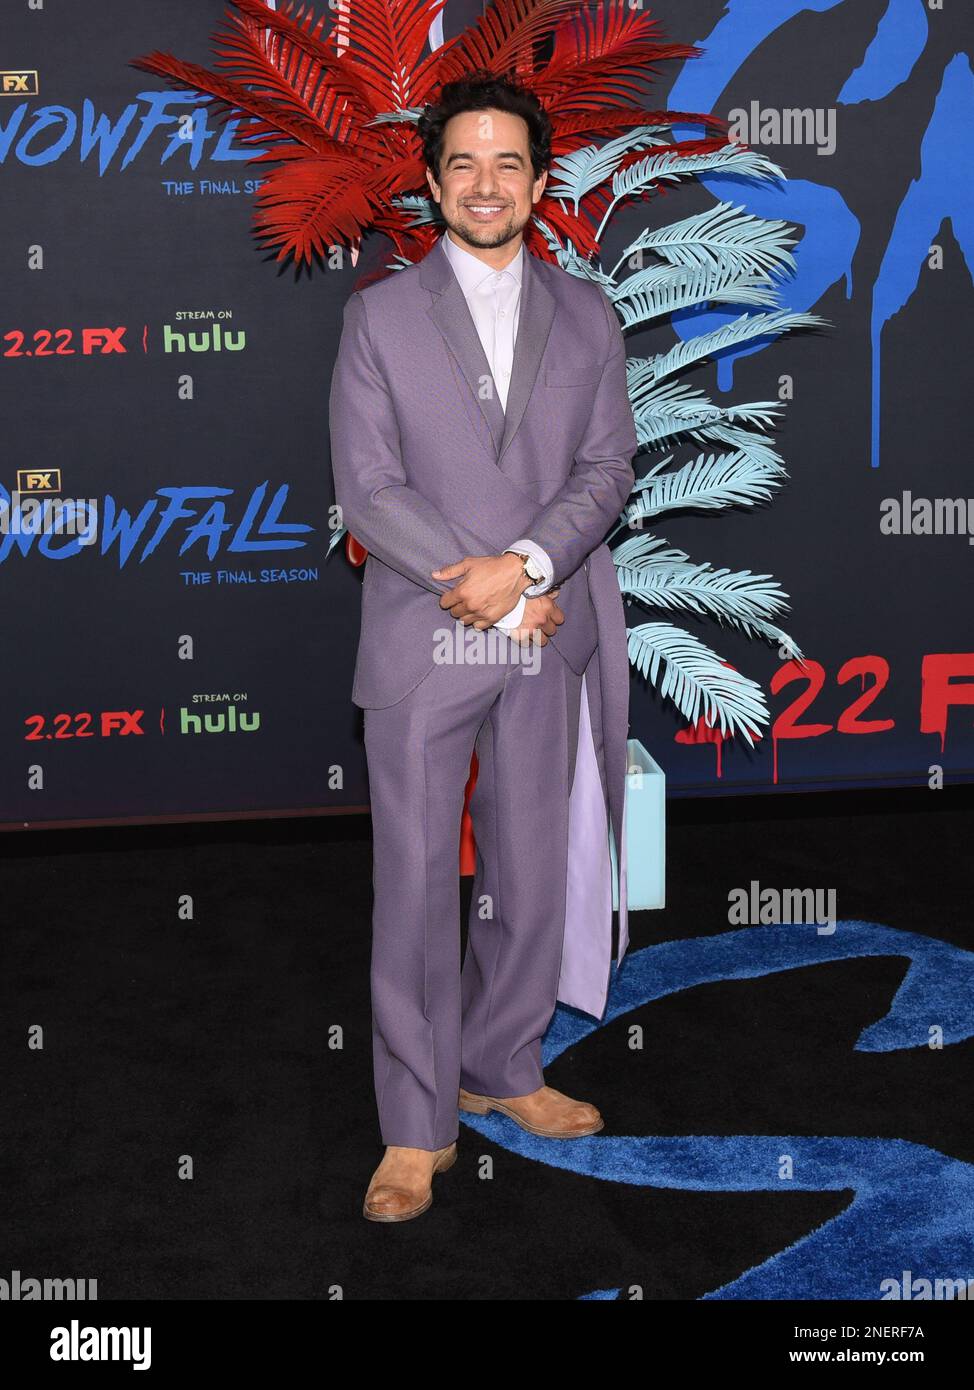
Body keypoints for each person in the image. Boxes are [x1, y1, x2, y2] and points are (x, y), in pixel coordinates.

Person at [328, 69, 638, 1222]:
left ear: (540, 181)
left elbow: (606, 469)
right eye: (462, 161)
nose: (485, 181)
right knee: (411, 882)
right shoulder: (378, 318)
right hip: (425, 639)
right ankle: (413, 1125)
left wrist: (534, 569)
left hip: (546, 632)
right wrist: (496, 589)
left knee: (525, 868)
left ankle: (502, 1065)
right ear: (430, 179)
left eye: (508, 161)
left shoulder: (588, 315)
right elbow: (368, 490)